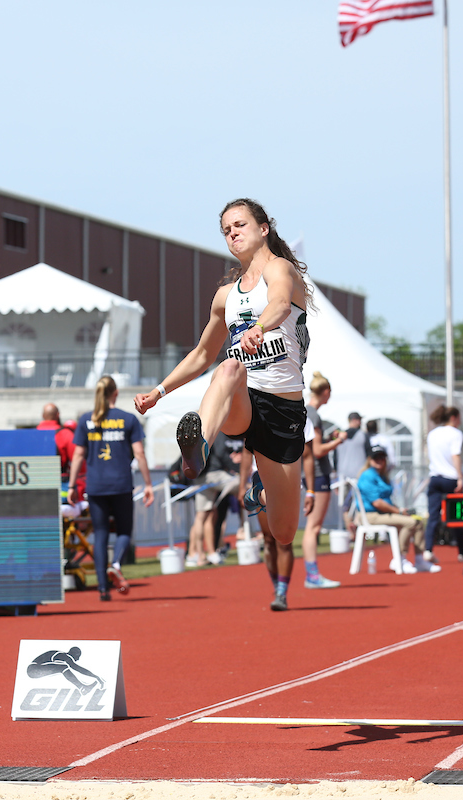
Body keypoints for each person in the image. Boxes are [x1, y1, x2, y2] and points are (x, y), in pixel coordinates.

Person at [134, 198, 312, 553]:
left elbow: (279, 303)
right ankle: (198, 445)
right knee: (229, 366)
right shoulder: (225, 297)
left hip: (283, 409)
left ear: (263, 229)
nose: (232, 233)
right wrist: (159, 391)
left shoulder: (280, 270)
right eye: (226, 230)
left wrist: (259, 327)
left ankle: (260, 492)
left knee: (284, 532)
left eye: (240, 225)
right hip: (243, 400)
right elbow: (202, 354)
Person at [68, 375, 156, 601]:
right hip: (121, 484)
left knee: (100, 534)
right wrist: (148, 484)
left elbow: (78, 455)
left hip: (96, 485)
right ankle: (115, 564)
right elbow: (139, 453)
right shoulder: (128, 419)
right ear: (116, 393)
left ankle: (102, 589)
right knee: (124, 531)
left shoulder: (86, 420)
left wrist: (71, 485)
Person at [241, 415, 317, 611]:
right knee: (268, 539)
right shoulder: (256, 412)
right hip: (261, 479)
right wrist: (242, 486)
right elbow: (247, 453)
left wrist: (311, 491)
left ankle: (282, 593)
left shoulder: (303, 418)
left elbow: (309, 456)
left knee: (284, 540)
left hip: (289, 479)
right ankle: (277, 587)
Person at [301, 371, 346, 589]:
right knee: (313, 527)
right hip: (318, 475)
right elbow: (317, 450)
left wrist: (329, 438)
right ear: (325, 392)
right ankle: (312, 575)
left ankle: (312, 574)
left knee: (313, 526)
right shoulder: (313, 414)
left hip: (314, 474)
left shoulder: (307, 411)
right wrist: (338, 441)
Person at [358, 446, 433, 574]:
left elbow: (386, 500)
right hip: (371, 515)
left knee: (419, 522)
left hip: (384, 513)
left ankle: (419, 560)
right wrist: (398, 512)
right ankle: (400, 559)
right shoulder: (367, 476)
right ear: (370, 460)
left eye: (382, 457)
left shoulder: (382, 475)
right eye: (376, 458)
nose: (379, 460)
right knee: (410, 523)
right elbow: (377, 503)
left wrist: (401, 510)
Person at [186, 432, 240, 568]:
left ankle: (200, 555)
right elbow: (221, 453)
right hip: (214, 474)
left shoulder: (196, 433)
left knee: (203, 516)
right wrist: (239, 468)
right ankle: (246, 533)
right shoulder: (216, 431)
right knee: (245, 484)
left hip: (199, 476)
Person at [423, 405, 462, 560]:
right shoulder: (456, 434)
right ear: (453, 418)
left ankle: (428, 550)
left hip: (435, 477)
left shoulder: (432, 434)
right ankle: (462, 551)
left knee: (433, 516)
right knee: (457, 516)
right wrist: (460, 477)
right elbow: (455, 455)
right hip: (450, 478)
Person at [36, 403, 81, 497]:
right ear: (58, 415)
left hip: (37, 484)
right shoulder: (66, 434)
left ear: (43, 415)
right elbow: (78, 460)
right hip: (60, 487)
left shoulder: (32, 435)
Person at [334, 412, 371, 486]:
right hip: (360, 476)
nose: (360, 423)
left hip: (343, 475)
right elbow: (369, 455)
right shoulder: (363, 435)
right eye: (359, 420)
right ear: (354, 420)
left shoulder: (339, 436)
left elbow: (335, 458)